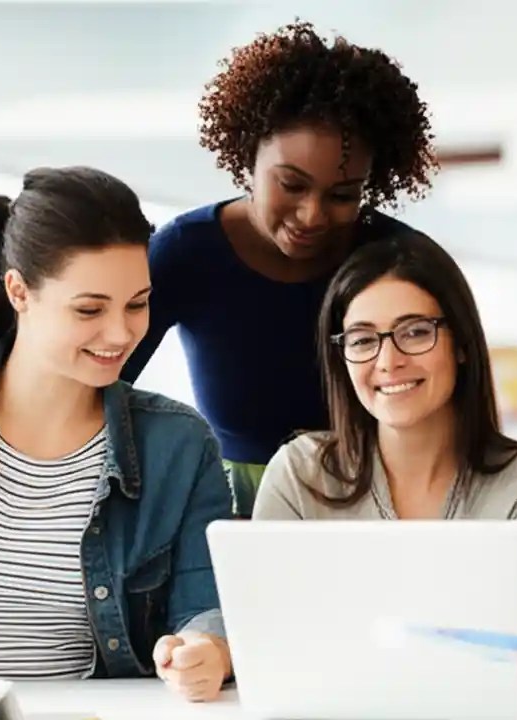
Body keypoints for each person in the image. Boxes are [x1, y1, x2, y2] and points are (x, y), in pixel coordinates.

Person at [0, 167, 234, 701]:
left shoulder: (181, 446)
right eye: (90, 309)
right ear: (19, 290)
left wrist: (205, 650)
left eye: (138, 304)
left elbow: (205, 604)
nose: (121, 333)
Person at [121, 21, 438, 517]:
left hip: (381, 504)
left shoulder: (397, 258)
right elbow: (98, 389)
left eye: (342, 196)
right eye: (291, 185)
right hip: (233, 513)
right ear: (247, 158)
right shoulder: (185, 253)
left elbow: (453, 407)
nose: (312, 215)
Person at [252, 232, 517, 521]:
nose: (388, 362)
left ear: (461, 343)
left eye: (415, 332)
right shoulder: (300, 475)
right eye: (363, 340)